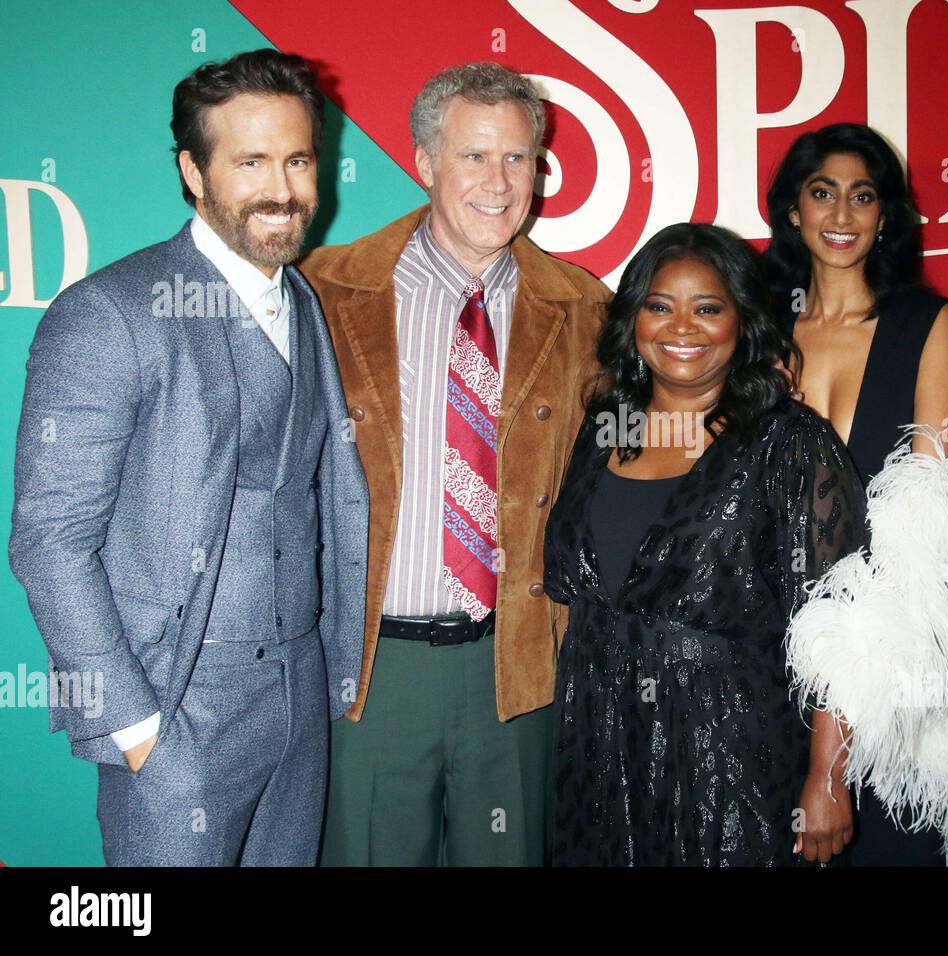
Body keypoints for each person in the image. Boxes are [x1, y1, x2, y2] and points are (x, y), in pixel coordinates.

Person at [8, 50, 369, 866]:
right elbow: (48, 541)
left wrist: (327, 679)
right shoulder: (108, 313)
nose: (282, 188)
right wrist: (137, 731)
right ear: (193, 171)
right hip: (175, 706)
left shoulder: (302, 299)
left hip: (299, 699)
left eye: (298, 159)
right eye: (250, 162)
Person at [299, 62, 609, 866]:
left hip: (517, 671)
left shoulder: (584, 309)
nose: (500, 182)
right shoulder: (326, 292)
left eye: (518, 158)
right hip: (373, 673)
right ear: (425, 162)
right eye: (474, 156)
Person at [543, 222, 866, 866]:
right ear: (633, 319)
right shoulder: (607, 427)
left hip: (728, 746)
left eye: (707, 308)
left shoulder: (790, 443)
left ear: (742, 321)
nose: (680, 327)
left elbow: (844, 627)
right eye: (659, 306)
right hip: (596, 742)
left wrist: (828, 777)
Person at [763, 123, 948, 866]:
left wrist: (833, 759)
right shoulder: (754, 326)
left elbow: (918, 546)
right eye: (823, 194)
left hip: (885, 675)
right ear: (793, 210)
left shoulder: (929, 325)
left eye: (863, 196)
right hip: (760, 672)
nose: (843, 216)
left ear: (886, 216)